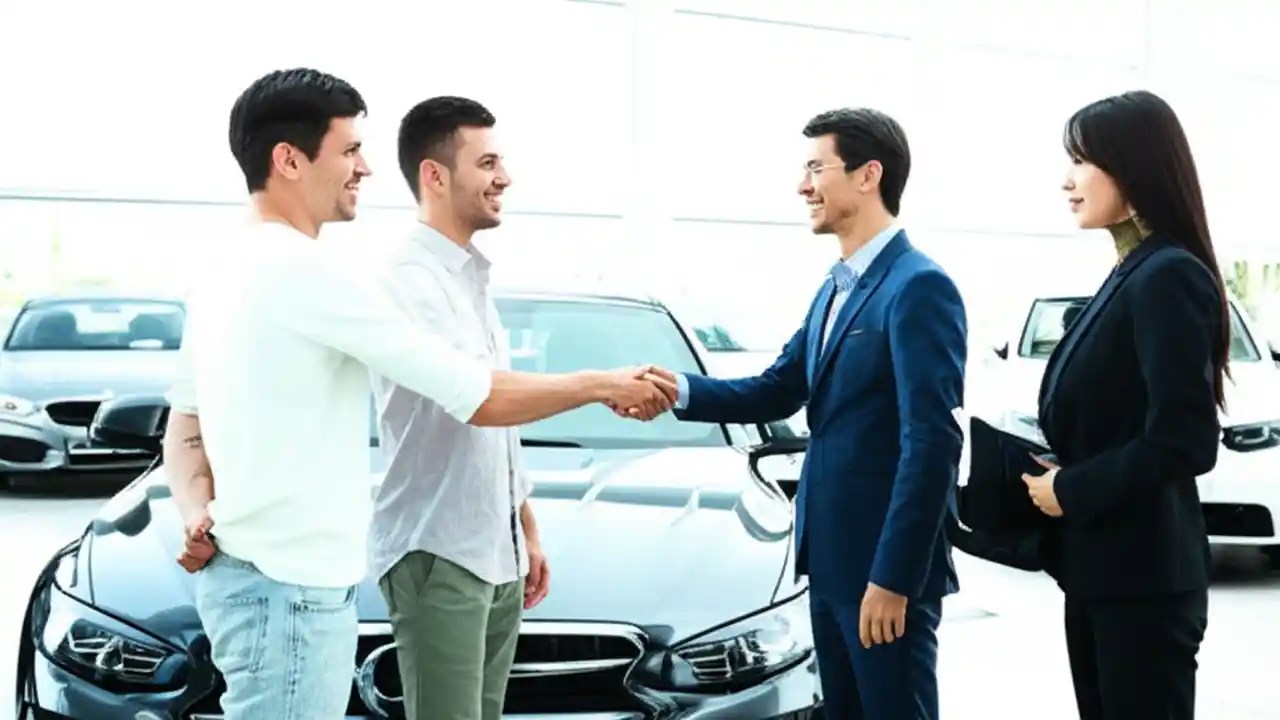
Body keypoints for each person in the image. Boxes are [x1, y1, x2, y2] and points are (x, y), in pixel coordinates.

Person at [162, 68, 672, 720]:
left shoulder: (222, 270)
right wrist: (601, 383)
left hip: (256, 582)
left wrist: (194, 508)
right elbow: (474, 396)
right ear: (289, 159)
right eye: (348, 150)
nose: (365, 169)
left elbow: (185, 428)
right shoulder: (308, 272)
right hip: (291, 592)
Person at [646, 108, 967, 720]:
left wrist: (894, 578)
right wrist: (675, 389)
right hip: (829, 566)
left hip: (882, 576)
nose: (803, 186)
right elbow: (776, 389)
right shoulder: (836, 287)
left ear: (869, 175)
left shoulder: (918, 286)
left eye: (816, 168)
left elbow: (930, 444)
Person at [1021, 89, 1226, 719]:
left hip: (1144, 584)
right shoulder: (1130, 271)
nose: (1067, 181)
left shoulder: (1166, 274)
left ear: (1132, 167)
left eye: (1081, 161)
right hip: (1103, 575)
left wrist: (1073, 489)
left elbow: (1186, 439)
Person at [367, 96, 538, 720]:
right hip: (439, 552)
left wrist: (525, 525)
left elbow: (499, 431)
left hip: (495, 550)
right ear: (435, 176)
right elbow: (481, 401)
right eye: (487, 161)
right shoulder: (409, 280)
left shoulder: (470, 279)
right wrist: (601, 385)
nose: (505, 177)